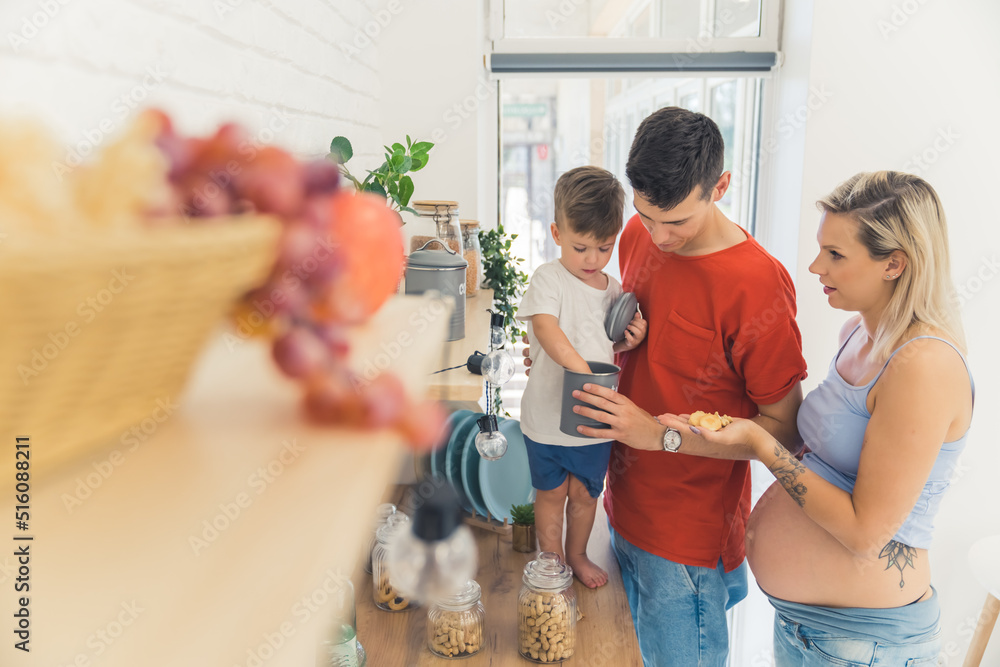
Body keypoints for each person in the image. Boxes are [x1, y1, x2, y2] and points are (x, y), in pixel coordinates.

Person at [577, 171, 973, 665]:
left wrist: (761, 446)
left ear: (894, 263)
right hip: (808, 628)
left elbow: (864, 533)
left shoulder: (925, 367)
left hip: (863, 641)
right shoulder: (859, 334)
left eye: (836, 255)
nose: (814, 266)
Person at [526, 108, 808, 665]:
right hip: (614, 502)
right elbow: (609, 327)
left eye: (675, 221)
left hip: (684, 545)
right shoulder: (631, 234)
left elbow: (784, 431)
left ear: (720, 187)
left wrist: (659, 436)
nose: (657, 236)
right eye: (646, 215)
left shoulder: (758, 285)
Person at [515, 165, 647, 589]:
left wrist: (630, 340)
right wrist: (579, 368)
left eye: (604, 248)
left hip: (594, 423)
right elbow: (546, 329)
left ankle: (577, 554)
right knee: (551, 494)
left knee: (585, 495)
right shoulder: (548, 279)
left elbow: (606, 345)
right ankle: (551, 560)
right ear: (556, 233)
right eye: (580, 247)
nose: (592, 260)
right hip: (547, 418)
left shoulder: (612, 289)